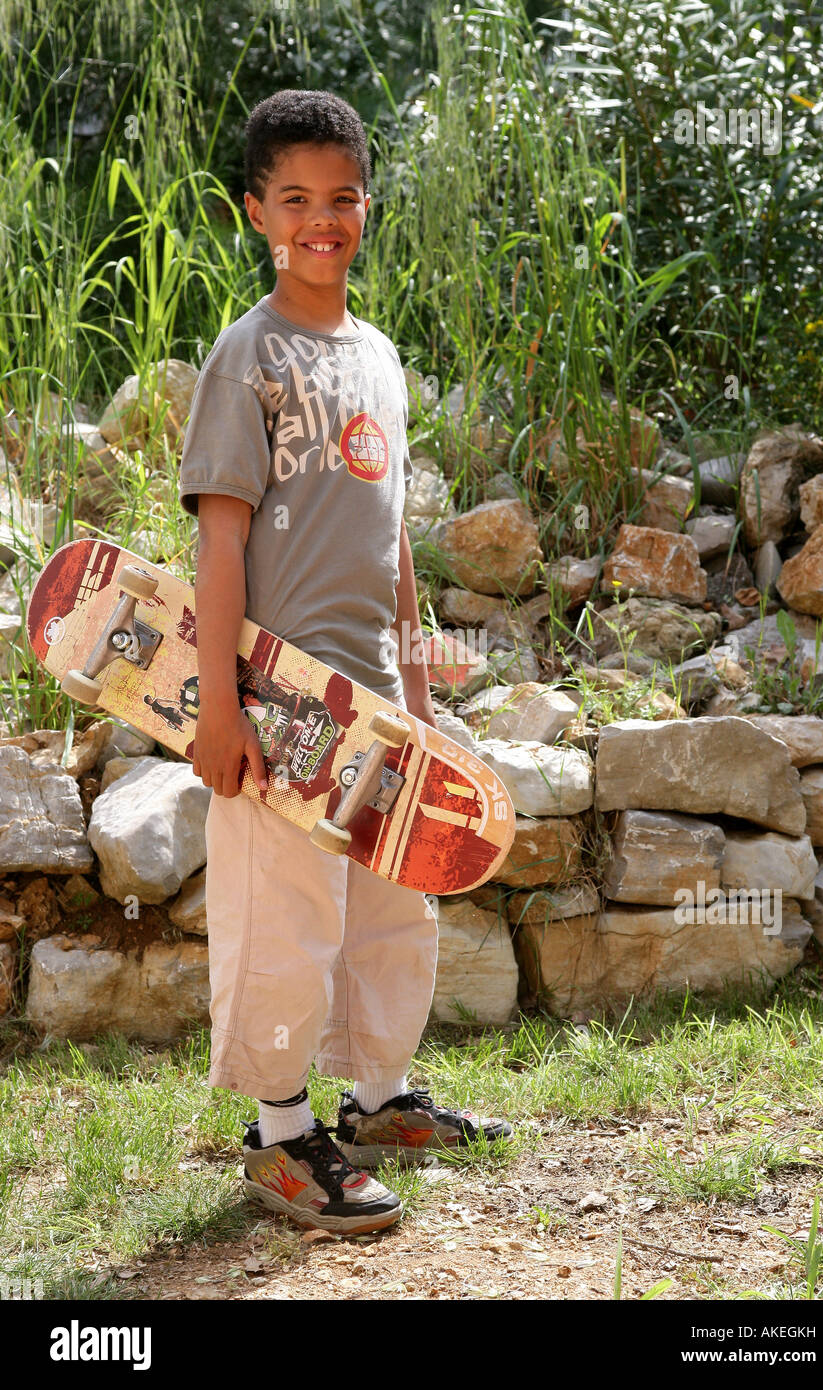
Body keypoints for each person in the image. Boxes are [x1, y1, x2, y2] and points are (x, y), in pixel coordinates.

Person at [179, 88, 512, 1236]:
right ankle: (279, 1136)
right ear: (254, 214)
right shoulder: (245, 356)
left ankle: (378, 1099)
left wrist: (417, 694)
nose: (321, 220)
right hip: (279, 700)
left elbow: (394, 545)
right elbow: (219, 536)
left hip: (375, 697)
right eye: (294, 201)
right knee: (287, 917)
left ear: (367, 205)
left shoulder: (376, 356)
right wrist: (217, 706)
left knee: (387, 909)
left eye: (342, 198)